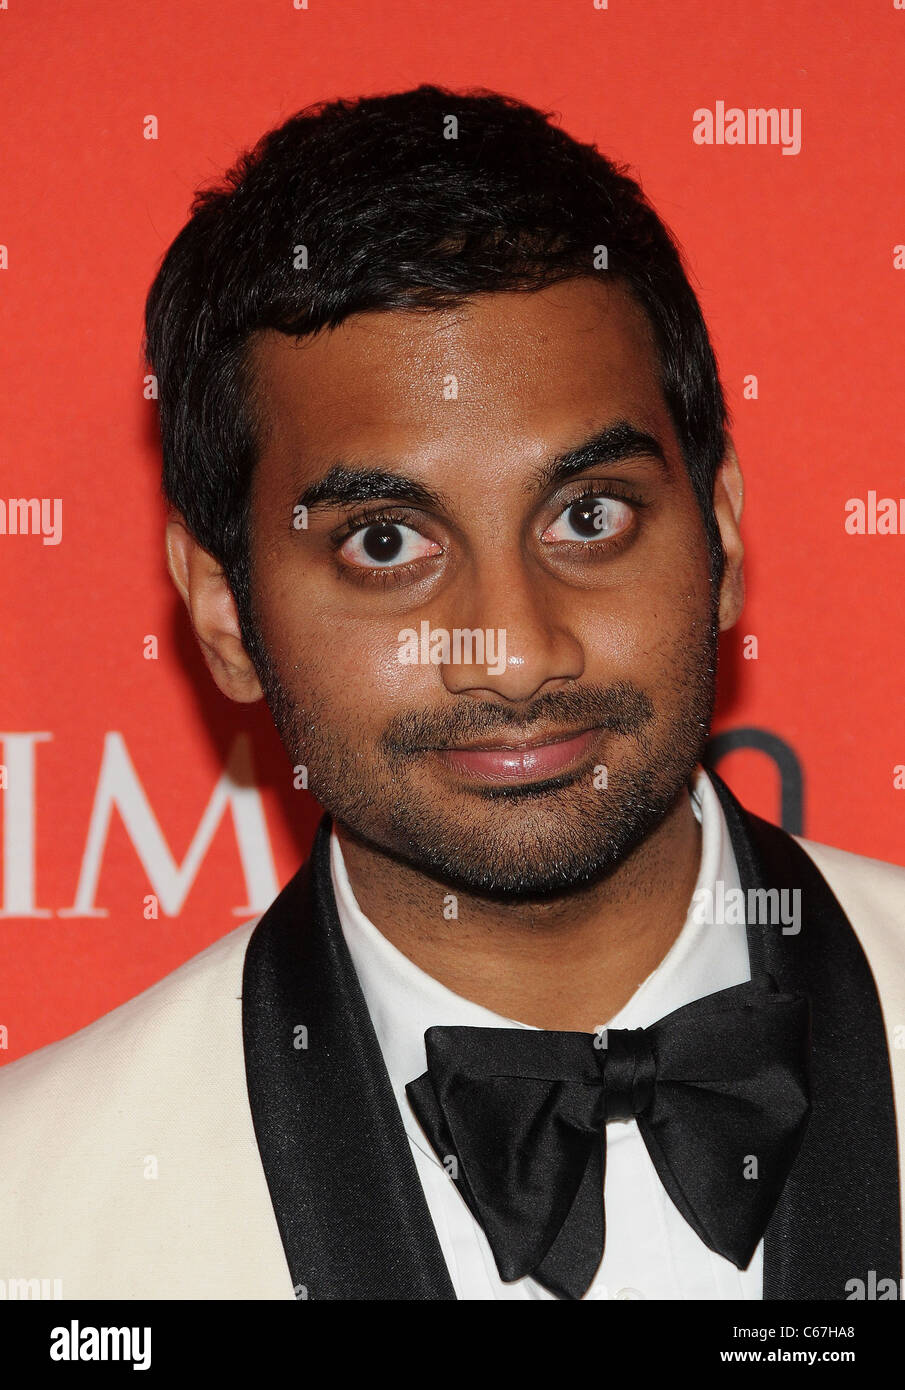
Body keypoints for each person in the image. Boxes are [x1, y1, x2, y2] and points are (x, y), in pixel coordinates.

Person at [1, 84, 902, 1301]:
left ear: (722, 536)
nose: (515, 652)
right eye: (384, 544)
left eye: (587, 517)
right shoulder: (36, 1209)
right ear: (224, 612)